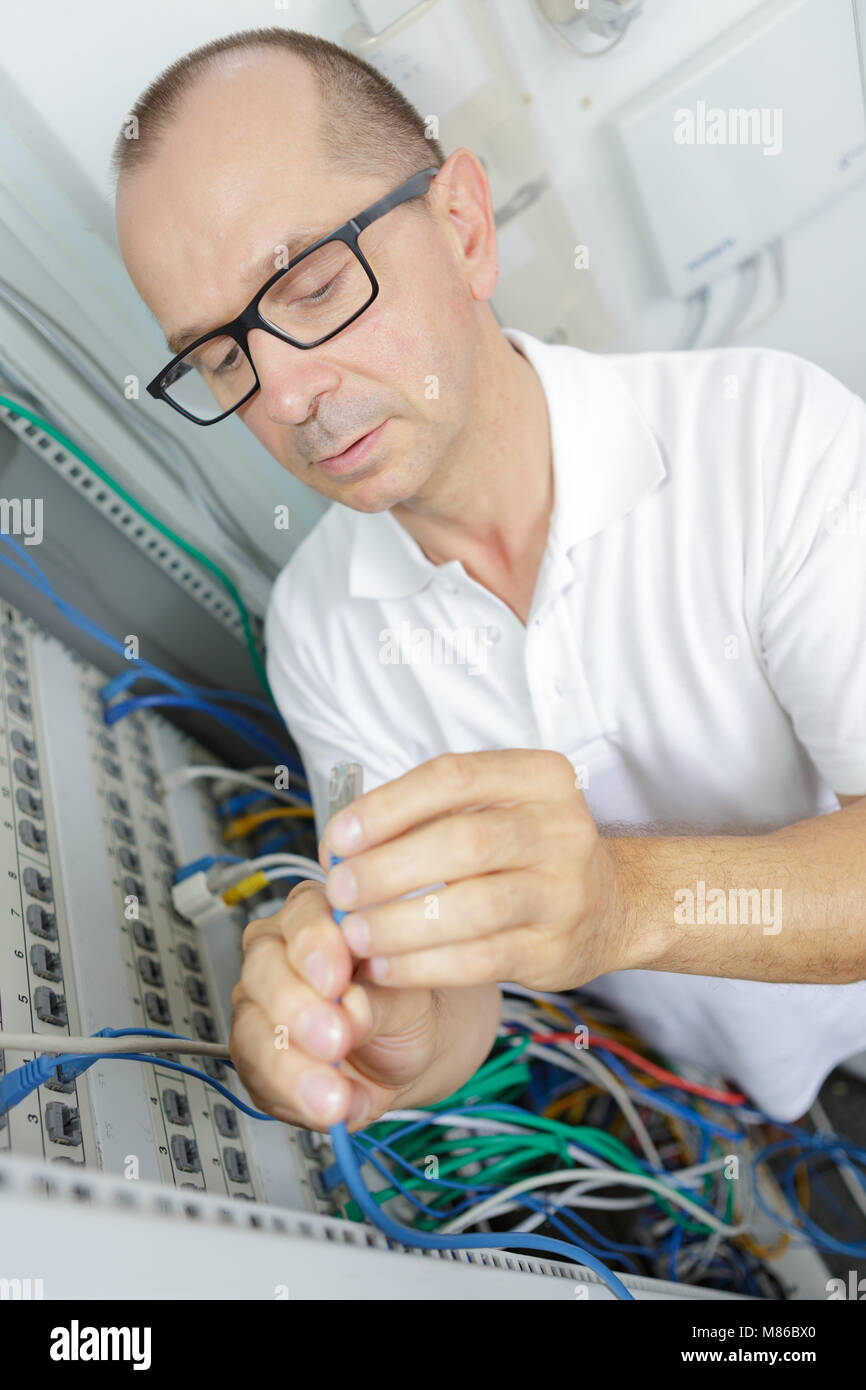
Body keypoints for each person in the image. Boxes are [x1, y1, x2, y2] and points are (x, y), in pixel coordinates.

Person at [114, 27, 866, 1135]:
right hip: (737, 1108)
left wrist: (624, 903)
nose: (285, 396)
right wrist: (384, 1030)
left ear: (463, 227)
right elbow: (450, 986)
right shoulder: (320, 631)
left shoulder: (772, 437)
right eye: (222, 358)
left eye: (311, 285)